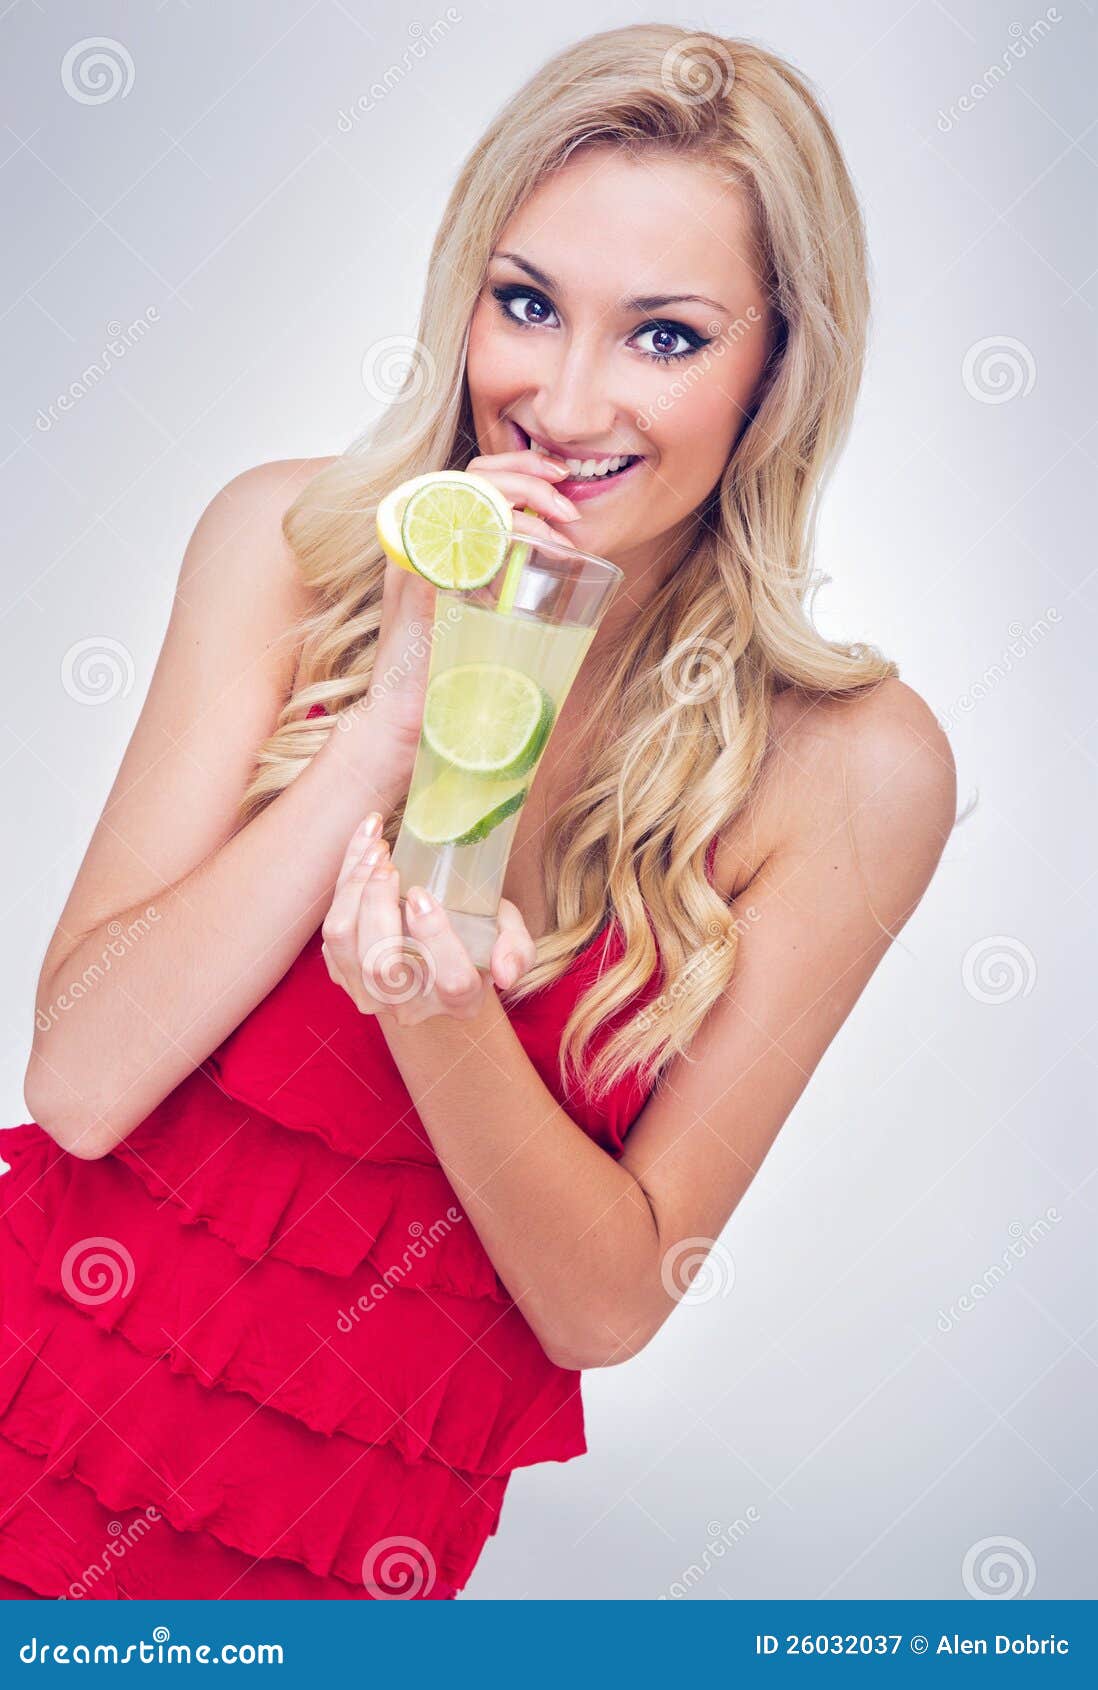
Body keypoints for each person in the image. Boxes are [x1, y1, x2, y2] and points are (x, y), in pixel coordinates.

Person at [0, 23, 956, 1600]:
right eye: (525, 305)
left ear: (778, 367)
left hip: (334, 1553)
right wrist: (389, 721)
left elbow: (602, 1307)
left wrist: (437, 1013)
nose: (561, 399)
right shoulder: (285, 546)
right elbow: (83, 1086)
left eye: (664, 337)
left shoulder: (852, 767)